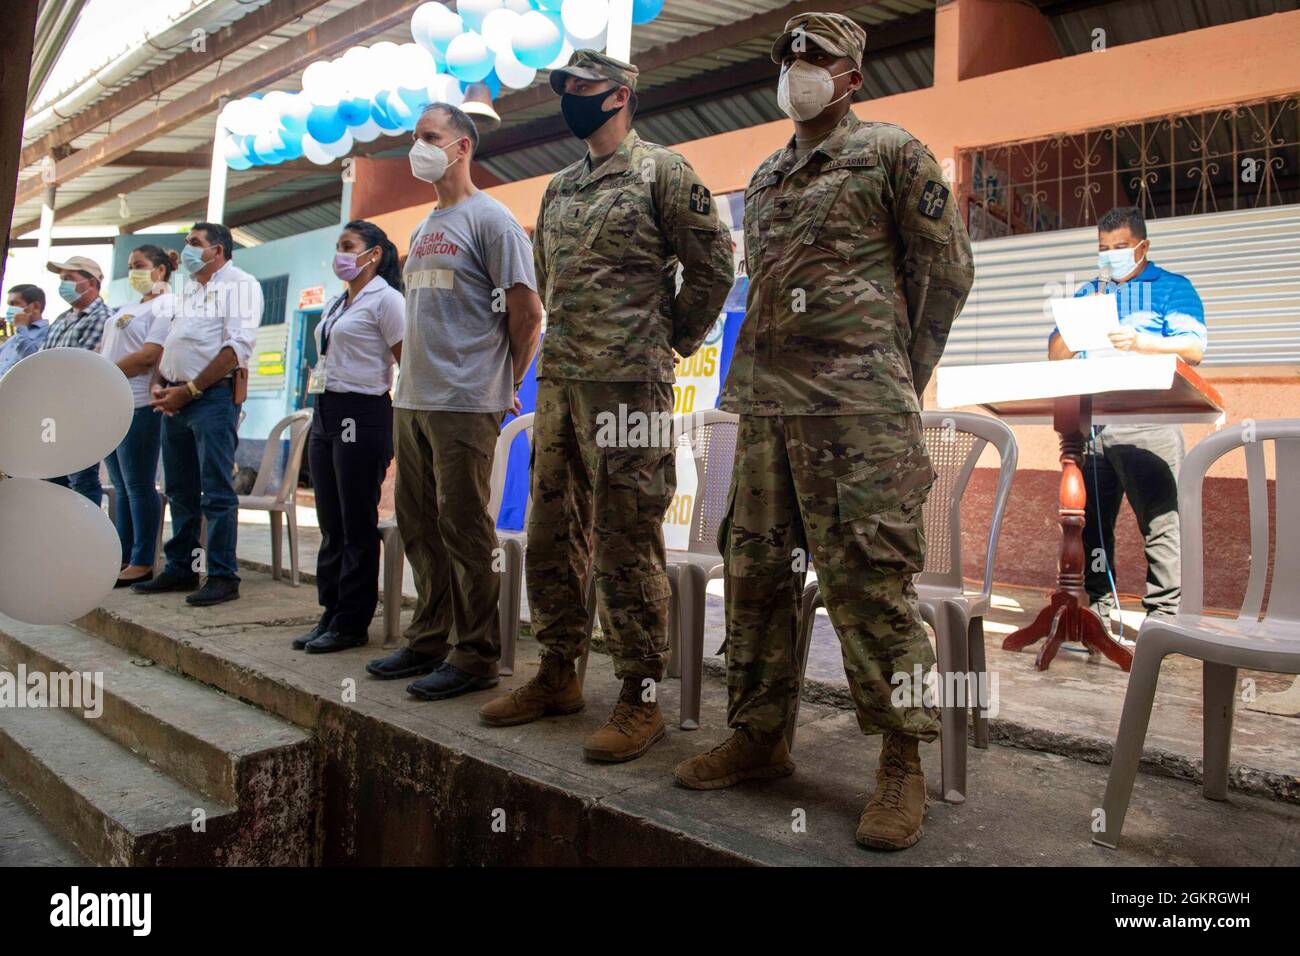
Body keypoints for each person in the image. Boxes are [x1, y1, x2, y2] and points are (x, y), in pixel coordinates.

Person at [672, 13, 974, 852]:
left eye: (818, 57)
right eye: (790, 55)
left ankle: (901, 757)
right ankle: (761, 736)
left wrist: (890, 378)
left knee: (873, 587)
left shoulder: (891, 154)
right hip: (767, 412)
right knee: (756, 574)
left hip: (857, 416)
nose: (799, 66)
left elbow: (946, 270)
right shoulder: (766, 175)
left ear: (853, 76)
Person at [477, 51, 734, 762]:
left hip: (631, 387)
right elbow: (548, 281)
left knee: (626, 539)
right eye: (564, 90)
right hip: (561, 382)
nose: (569, 100)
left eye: (582, 89)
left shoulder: (664, 172)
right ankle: (559, 672)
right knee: (552, 531)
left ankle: (640, 697)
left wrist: (666, 340)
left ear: (619, 95)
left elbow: (715, 266)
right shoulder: (559, 188)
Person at [365, 103, 543, 699]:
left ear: (461, 146)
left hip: (465, 401)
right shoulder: (423, 228)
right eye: (415, 138)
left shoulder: (492, 221)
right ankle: (429, 638)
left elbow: (527, 314)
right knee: (418, 524)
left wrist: (506, 385)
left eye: (428, 137)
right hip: (413, 398)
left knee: (465, 528)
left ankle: (476, 656)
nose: (417, 146)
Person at [1049, 206, 1206, 623]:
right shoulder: (1087, 293)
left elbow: (1194, 348)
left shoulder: (1172, 287)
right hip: (1093, 425)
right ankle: (1099, 612)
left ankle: (1164, 619)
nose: (1110, 256)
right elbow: (1055, 353)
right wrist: (1079, 323)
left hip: (1148, 423)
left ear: (1143, 246)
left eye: (1120, 247)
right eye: (1103, 249)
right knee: (1093, 528)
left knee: (1160, 525)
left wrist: (1142, 341)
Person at [133, 222, 262, 607]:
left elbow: (235, 349)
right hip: (174, 399)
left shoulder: (240, 285)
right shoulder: (190, 290)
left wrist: (189, 391)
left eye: (194, 243)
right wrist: (160, 382)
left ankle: (222, 575)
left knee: (216, 491)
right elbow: (173, 342)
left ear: (217, 250)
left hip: (210, 401)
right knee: (180, 490)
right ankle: (182, 567)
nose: (185, 250)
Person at [292, 221, 405, 654]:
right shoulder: (340, 301)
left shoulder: (387, 300)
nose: (339, 254)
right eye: (337, 246)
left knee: (356, 520)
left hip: (363, 410)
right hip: (327, 409)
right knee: (331, 520)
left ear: (373, 253)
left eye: (347, 246)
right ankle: (331, 609)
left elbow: (404, 359)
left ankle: (352, 621)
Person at [99, 245, 177, 587]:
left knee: (138, 483)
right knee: (120, 485)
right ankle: (124, 554)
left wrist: (101, 374)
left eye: (140, 265)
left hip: (139, 403)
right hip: (110, 403)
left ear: (160, 271)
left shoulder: (166, 305)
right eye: (131, 266)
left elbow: (149, 356)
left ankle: (143, 559)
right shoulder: (128, 307)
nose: (133, 271)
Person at [43, 256, 111, 504]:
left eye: (69, 279)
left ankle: (84, 538)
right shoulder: (62, 319)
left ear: (91, 282)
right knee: (52, 479)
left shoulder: (102, 317)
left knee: (81, 479)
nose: (63, 284)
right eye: (62, 279)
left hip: (80, 411)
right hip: (53, 412)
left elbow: (82, 364)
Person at [1, 284, 49, 376]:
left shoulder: (48, 333)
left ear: (35, 306)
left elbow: (31, 360)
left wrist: (20, 327)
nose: (10, 309)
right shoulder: (13, 339)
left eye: (14, 303)